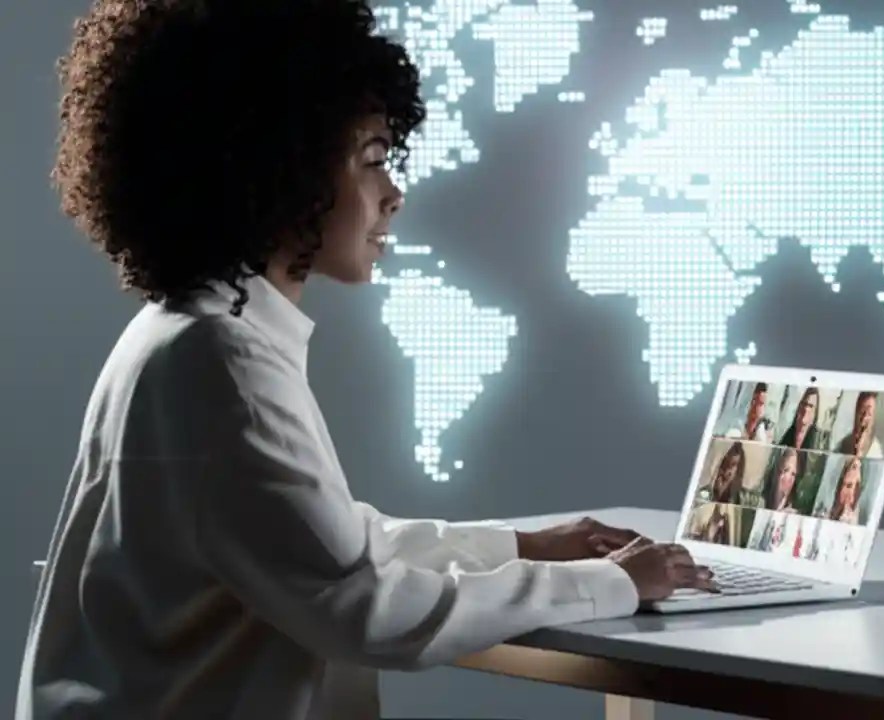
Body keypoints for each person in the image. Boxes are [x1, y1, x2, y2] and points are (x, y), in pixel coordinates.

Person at [17, 2, 715, 719]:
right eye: (374, 161)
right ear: (281, 165)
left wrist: (525, 546)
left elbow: (330, 546)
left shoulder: (184, 331)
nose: (393, 195)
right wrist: (615, 583)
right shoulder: (221, 364)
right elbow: (366, 607)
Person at [761, 447, 805, 512]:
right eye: (786, 470)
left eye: (794, 474)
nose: (791, 479)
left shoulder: (792, 511)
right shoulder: (761, 501)